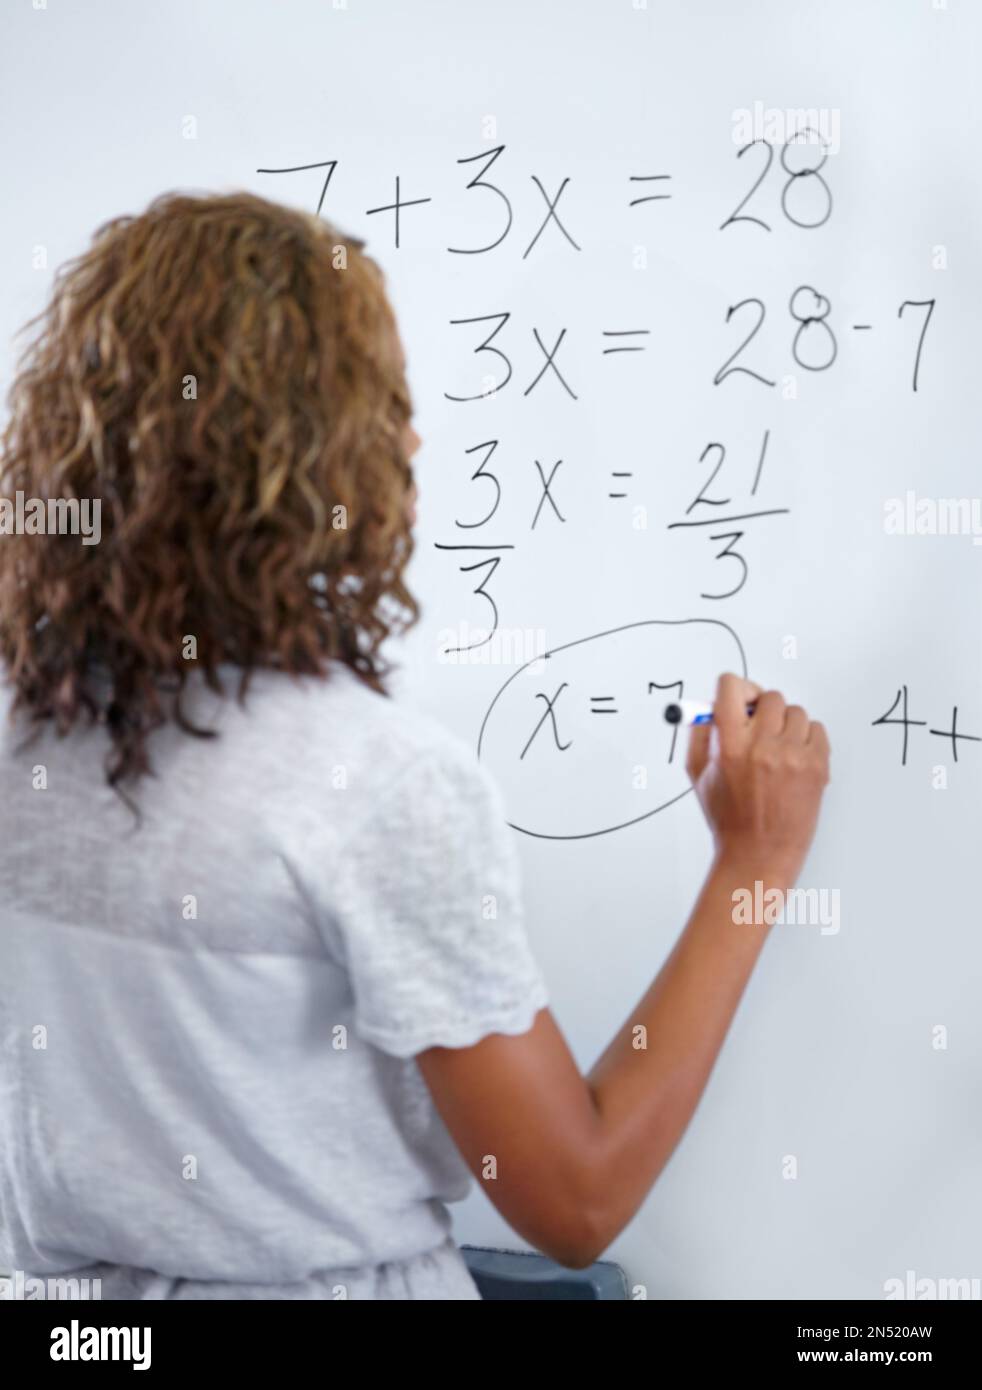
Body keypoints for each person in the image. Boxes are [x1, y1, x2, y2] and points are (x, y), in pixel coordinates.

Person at [0, 191, 830, 1300]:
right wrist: (753, 866)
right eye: (384, 402)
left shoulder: (29, 737)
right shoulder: (372, 784)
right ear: (315, 455)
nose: (412, 438)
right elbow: (576, 1201)